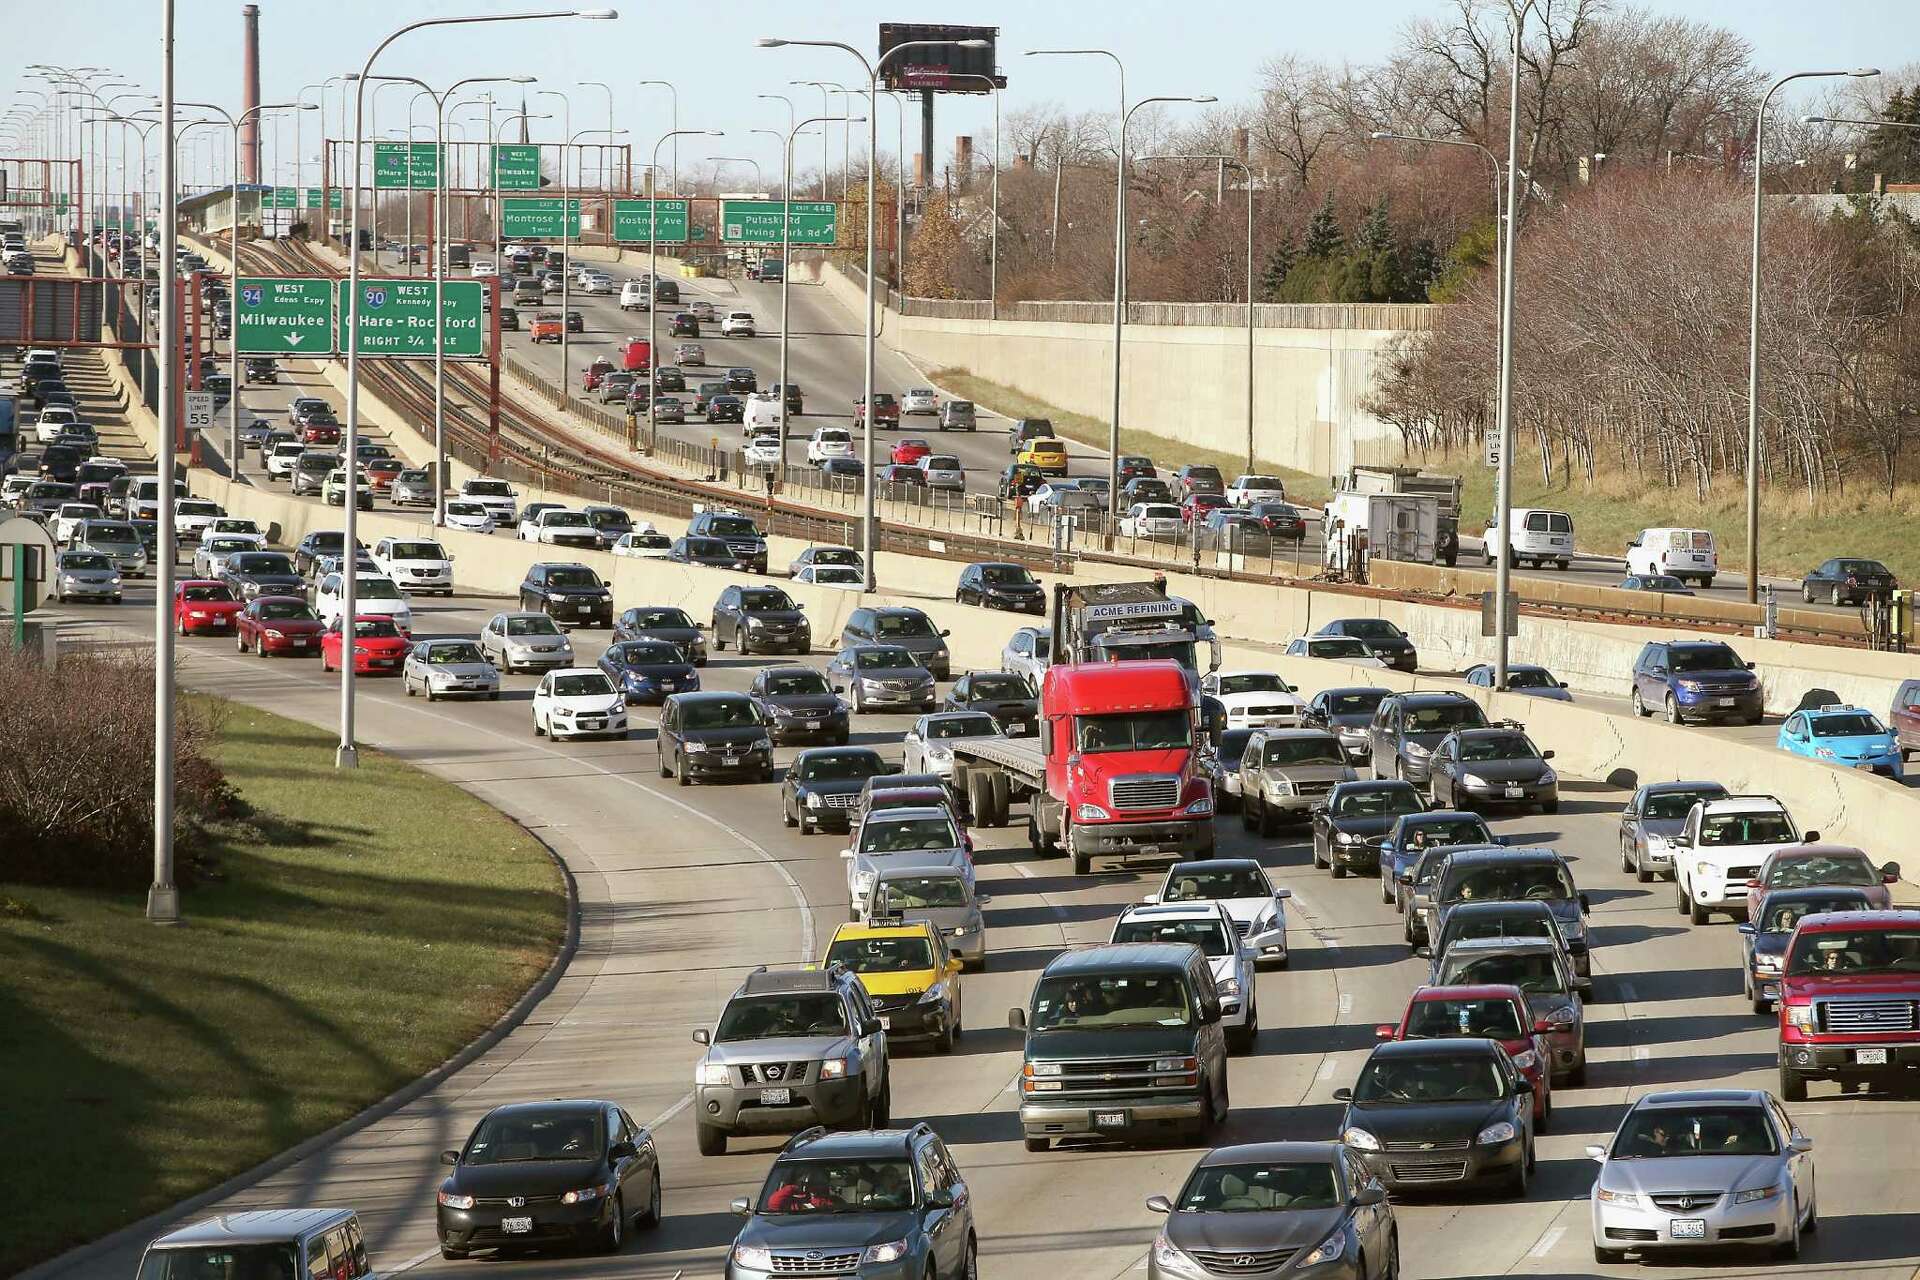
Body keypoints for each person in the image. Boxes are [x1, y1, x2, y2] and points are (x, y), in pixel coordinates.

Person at [766, 1166, 836, 1212]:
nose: (815, 1184)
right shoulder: (784, 1202)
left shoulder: (830, 1203)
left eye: (820, 1182)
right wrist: (797, 1188)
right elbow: (774, 1203)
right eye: (812, 1180)